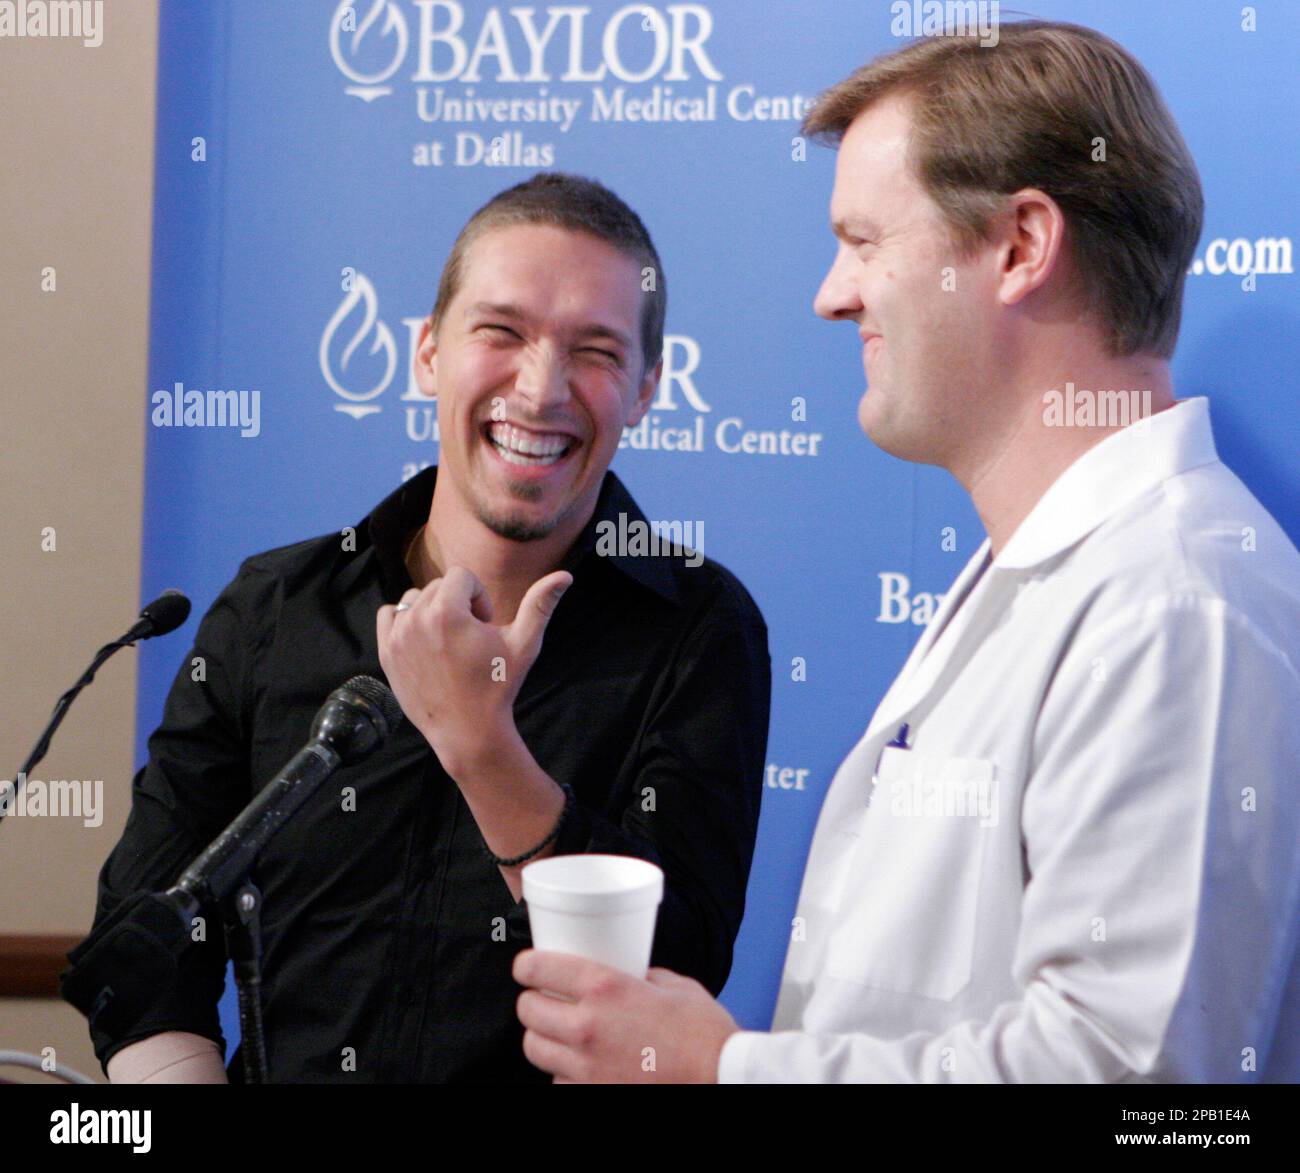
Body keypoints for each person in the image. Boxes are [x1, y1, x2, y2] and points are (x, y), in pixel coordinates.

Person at [514, 22, 1300, 1083]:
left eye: (867, 241)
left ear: (1020, 247)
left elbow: (1142, 1087)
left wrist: (726, 1072)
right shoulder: (1061, 579)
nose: (831, 294)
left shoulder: (1174, 607)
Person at [84, 173, 771, 1083]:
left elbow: (666, 984)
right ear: (427, 354)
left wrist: (485, 750)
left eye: (597, 350)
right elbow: (140, 941)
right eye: (502, 331)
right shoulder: (275, 607)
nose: (541, 387)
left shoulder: (700, 630)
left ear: (646, 389)